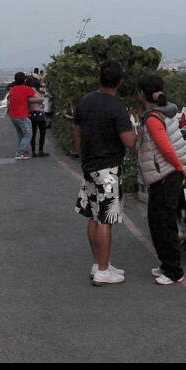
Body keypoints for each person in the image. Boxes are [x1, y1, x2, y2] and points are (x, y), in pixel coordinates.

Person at [73, 60, 136, 286]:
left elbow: (77, 133)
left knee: (92, 215)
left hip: (88, 165)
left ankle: (99, 263)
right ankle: (102, 270)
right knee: (106, 219)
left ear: (99, 78)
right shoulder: (116, 107)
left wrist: (83, 156)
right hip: (108, 168)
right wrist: (134, 131)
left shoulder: (85, 102)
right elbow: (129, 142)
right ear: (119, 82)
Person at [136, 74, 186, 285]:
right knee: (159, 220)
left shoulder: (152, 117)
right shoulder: (165, 111)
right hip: (167, 173)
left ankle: (174, 271)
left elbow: (164, 146)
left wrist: (179, 167)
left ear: (142, 94)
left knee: (163, 223)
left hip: (165, 174)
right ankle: (167, 265)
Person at [7, 71, 37, 160]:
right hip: (22, 115)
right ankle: (20, 153)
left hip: (13, 115)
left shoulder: (13, 89)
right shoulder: (26, 89)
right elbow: (36, 96)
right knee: (28, 134)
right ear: (24, 80)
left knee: (21, 134)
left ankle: (24, 152)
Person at [27, 68, 48, 156]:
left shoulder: (28, 90)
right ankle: (40, 150)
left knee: (33, 133)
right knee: (42, 133)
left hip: (31, 114)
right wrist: (41, 99)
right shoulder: (36, 91)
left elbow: (28, 100)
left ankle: (33, 151)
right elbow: (38, 100)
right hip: (39, 113)